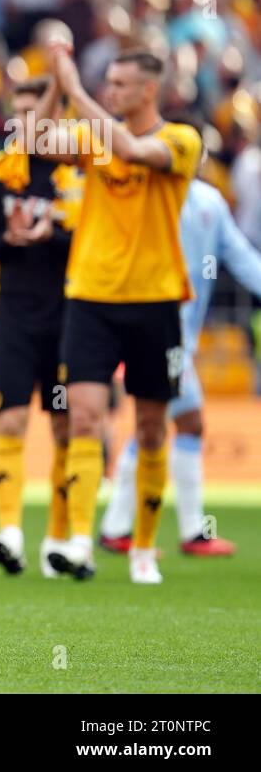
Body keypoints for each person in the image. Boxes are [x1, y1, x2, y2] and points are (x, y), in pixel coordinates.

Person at [39, 44, 201, 584]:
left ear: (149, 90)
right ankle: (81, 540)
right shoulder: (90, 134)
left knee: (153, 427)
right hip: (91, 297)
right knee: (84, 417)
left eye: (120, 84)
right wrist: (56, 87)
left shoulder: (180, 140)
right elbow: (36, 144)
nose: (110, 91)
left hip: (155, 301)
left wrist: (78, 91)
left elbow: (130, 150)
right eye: (105, 82)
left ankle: (144, 548)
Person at [100, 177, 261, 557]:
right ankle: (137, 530)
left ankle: (128, 528)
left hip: (179, 335)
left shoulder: (208, 201)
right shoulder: (145, 192)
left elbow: (241, 256)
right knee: (163, 422)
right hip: (151, 329)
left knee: (171, 422)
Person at [0, 77, 79, 577]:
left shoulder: (75, 172)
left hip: (68, 320)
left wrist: (51, 233)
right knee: (11, 420)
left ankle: (59, 539)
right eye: (21, 113)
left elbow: (91, 244)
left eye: (39, 112)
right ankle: (9, 532)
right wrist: (12, 240)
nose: (27, 123)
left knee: (64, 427)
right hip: (13, 319)